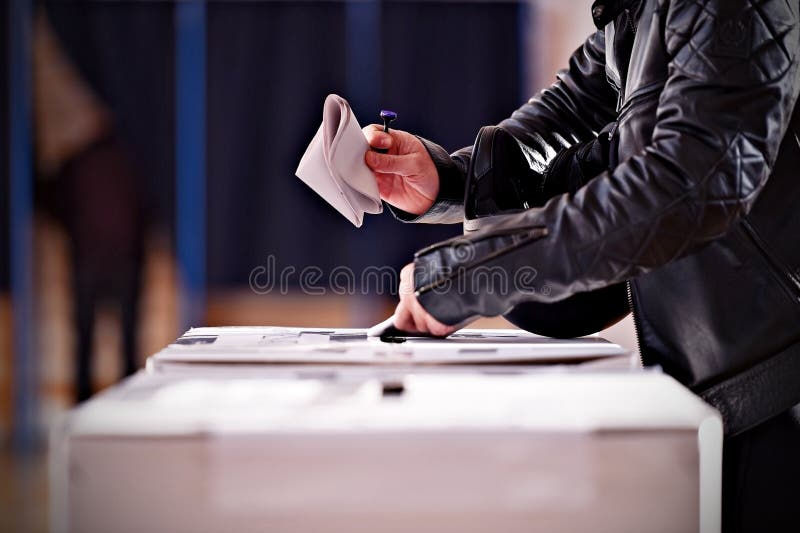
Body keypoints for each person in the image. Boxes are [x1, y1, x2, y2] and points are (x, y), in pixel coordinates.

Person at [364, 1, 800, 531]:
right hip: (720, 398)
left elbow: (687, 186)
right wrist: (446, 179)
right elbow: (561, 125)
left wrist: (472, 273)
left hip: (779, 395)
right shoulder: (636, 17)